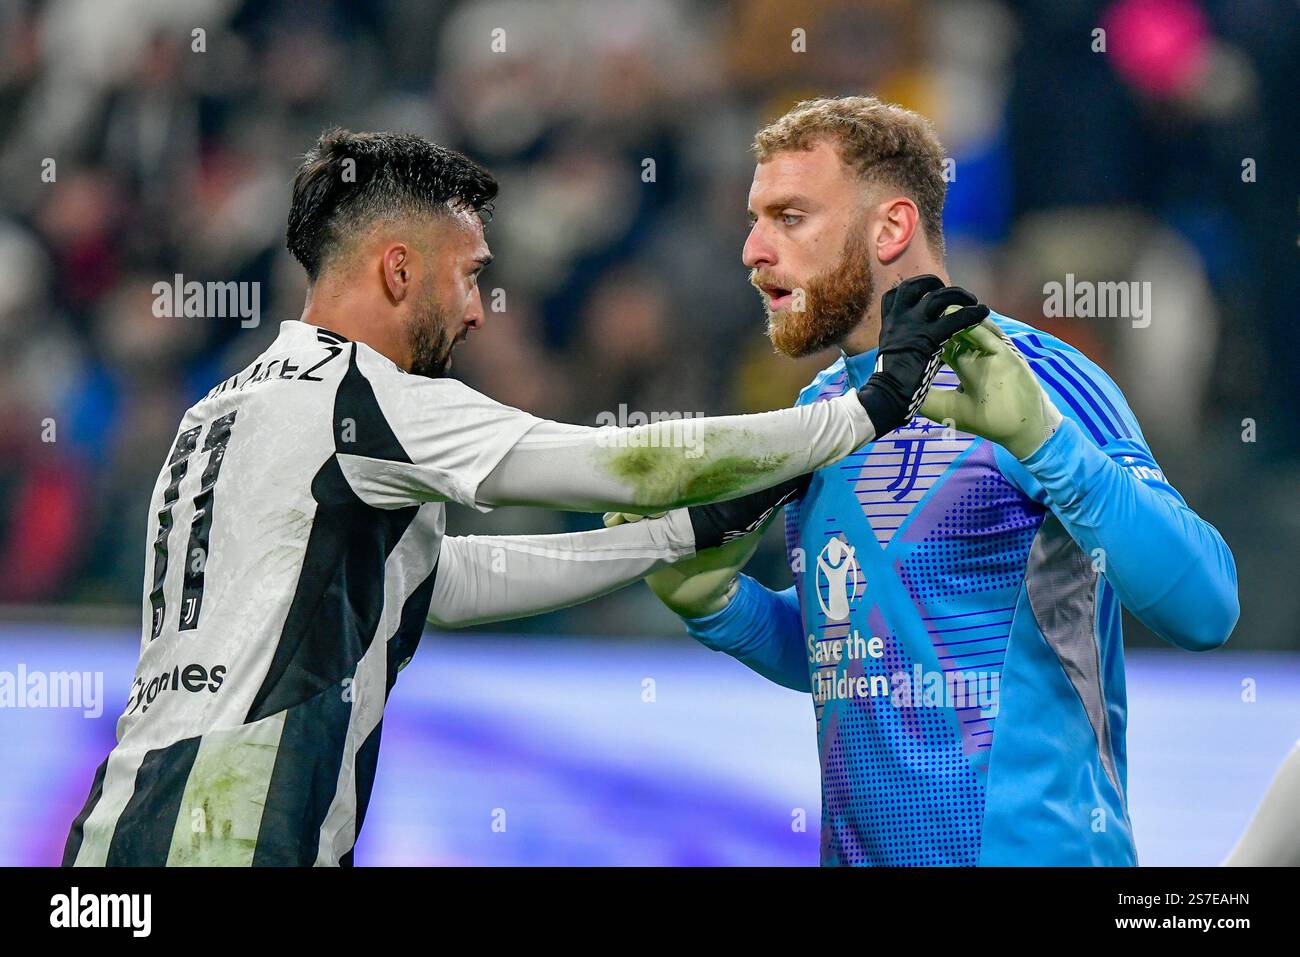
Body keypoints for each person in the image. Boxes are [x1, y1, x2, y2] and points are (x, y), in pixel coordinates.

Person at [64, 128, 982, 866]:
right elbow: (621, 461)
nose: (475, 310)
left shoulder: (225, 408)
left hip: (118, 831)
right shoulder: (361, 400)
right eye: (470, 276)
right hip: (233, 835)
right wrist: (867, 407)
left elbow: (445, 579)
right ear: (397, 270)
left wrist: (679, 534)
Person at [614, 96, 1239, 866]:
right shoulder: (819, 415)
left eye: (790, 217)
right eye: (755, 217)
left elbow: (1206, 606)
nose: (752, 249)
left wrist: (1047, 445)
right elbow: (862, 654)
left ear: (891, 228)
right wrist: (721, 608)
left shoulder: (1037, 382)